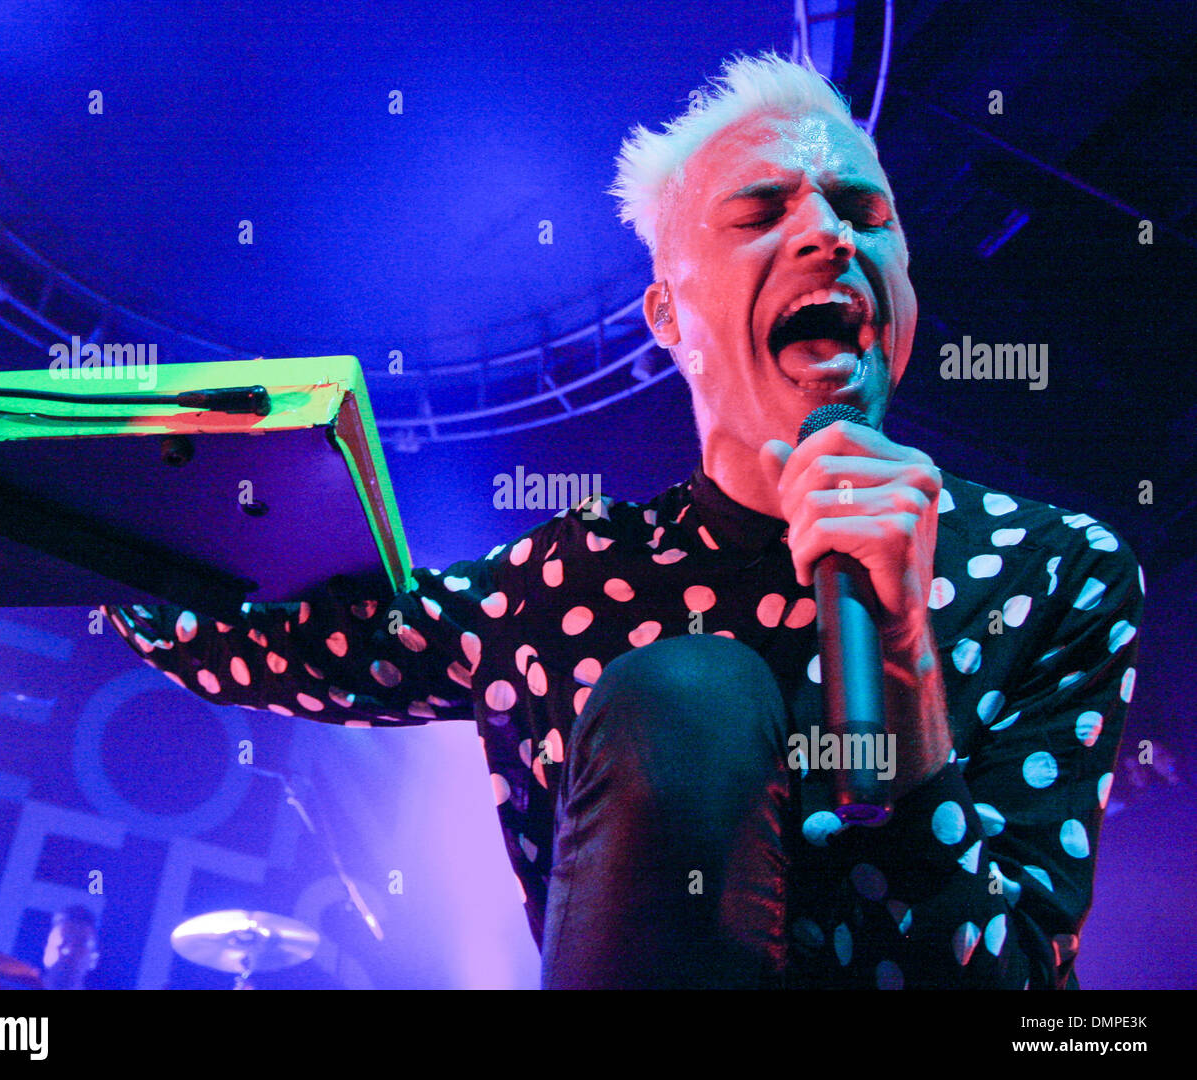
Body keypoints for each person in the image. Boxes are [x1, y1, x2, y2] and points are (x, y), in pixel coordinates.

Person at [105, 52, 1143, 989]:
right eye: (760, 213)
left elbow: (1013, 989)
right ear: (668, 319)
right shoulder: (567, 581)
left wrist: (907, 665)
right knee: (689, 689)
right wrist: (73, 488)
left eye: (864, 214)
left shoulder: (1051, 569)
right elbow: (239, 633)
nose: (827, 235)